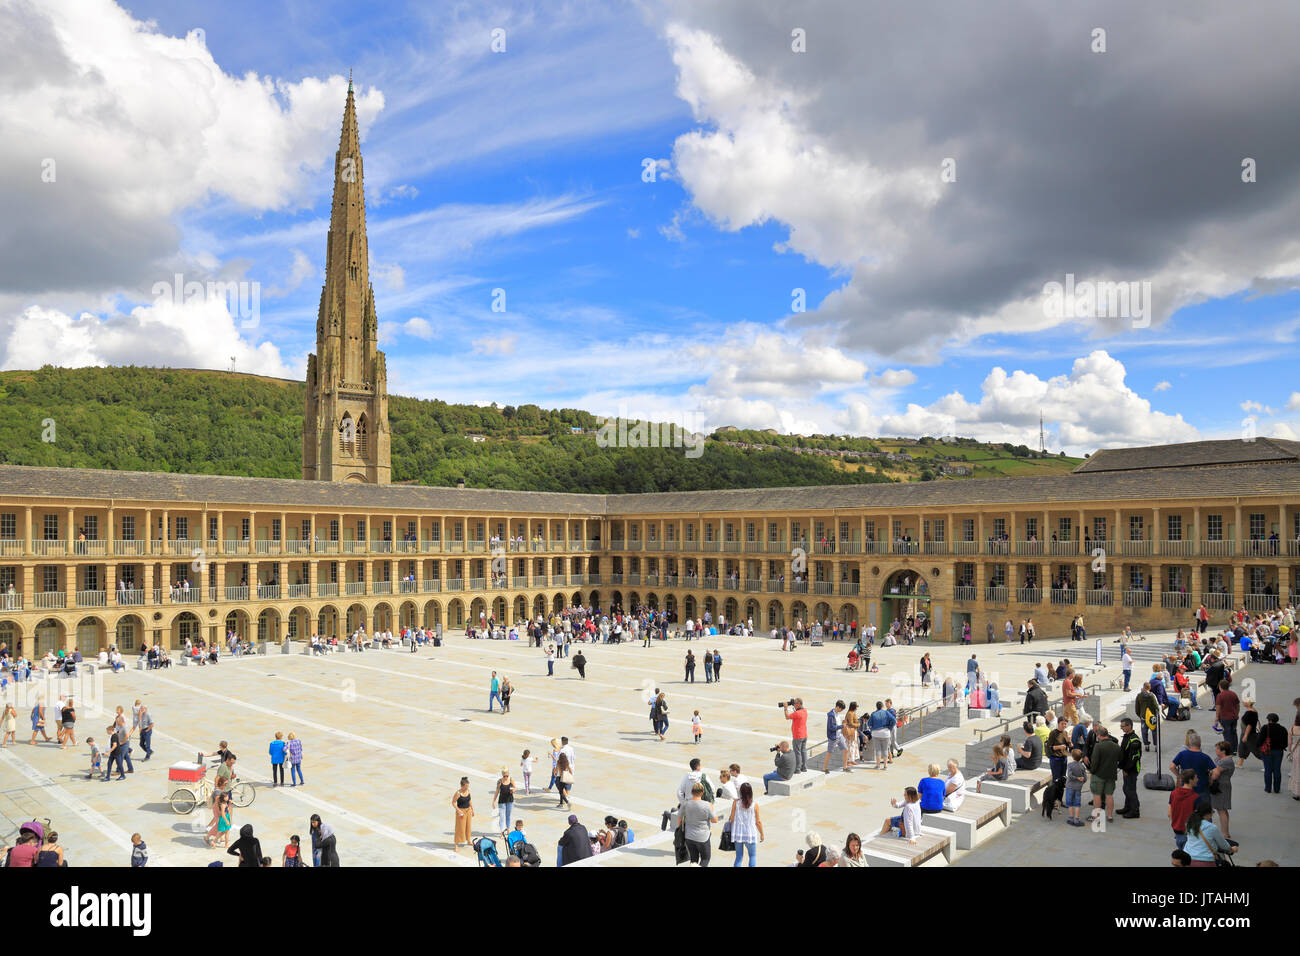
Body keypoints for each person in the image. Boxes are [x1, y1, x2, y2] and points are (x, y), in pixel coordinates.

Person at [1089, 725, 1121, 823]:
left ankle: (1097, 817)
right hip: (1111, 775)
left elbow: (1094, 762)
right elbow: (1120, 759)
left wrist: (1092, 771)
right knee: (1109, 795)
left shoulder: (1098, 746)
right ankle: (1110, 816)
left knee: (1097, 795)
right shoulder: (1116, 746)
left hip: (1098, 775)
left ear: (1099, 735)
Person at [681, 782, 718, 866]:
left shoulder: (685, 804)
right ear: (702, 792)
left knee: (694, 860)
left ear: (692, 792)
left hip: (689, 836)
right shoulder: (707, 805)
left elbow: (679, 819)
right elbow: (714, 820)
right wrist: (712, 809)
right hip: (702, 838)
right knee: (705, 859)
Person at [728, 781, 763, 867]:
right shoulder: (755, 805)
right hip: (750, 834)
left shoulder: (736, 803)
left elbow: (731, 819)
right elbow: (758, 822)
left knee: (739, 857)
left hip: (738, 834)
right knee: (752, 856)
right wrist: (762, 834)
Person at [1208, 740, 1235, 841]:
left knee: (1221, 810)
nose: (1216, 750)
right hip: (1223, 785)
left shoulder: (1226, 761)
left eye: (1217, 749)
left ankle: (1224, 833)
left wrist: (1210, 775)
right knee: (1223, 809)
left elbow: (1215, 774)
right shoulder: (1221, 759)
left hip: (1221, 786)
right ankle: (1225, 832)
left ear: (1223, 751)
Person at [1117, 717, 1142, 818]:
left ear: (1129, 726)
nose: (1121, 728)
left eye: (1123, 726)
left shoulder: (1134, 740)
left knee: (1130, 789)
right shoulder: (1127, 736)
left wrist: (1126, 769)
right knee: (1126, 788)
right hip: (1126, 768)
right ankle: (1127, 807)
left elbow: (1133, 758)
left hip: (1131, 769)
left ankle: (1135, 811)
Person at [1167, 770, 1199, 850]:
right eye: (1196, 778)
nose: (1198, 779)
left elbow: (1169, 813)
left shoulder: (1173, 793)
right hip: (1189, 833)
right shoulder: (1195, 797)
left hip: (1177, 830)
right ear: (1191, 780)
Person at [1260, 712, 1288, 794]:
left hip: (1267, 751)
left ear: (1269, 720)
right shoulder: (1283, 729)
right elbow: (1285, 743)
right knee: (1277, 769)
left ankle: (1268, 788)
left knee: (1268, 769)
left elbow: (1259, 740)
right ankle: (1277, 789)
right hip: (1279, 751)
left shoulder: (1265, 728)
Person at [822, 700, 849, 774]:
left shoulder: (837, 714)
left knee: (846, 749)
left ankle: (845, 767)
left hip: (839, 735)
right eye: (841, 709)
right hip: (833, 737)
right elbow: (831, 727)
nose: (841, 711)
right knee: (829, 753)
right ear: (837, 707)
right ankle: (824, 768)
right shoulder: (831, 715)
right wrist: (842, 726)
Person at [1215, 679, 1240, 755]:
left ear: (1220, 687)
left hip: (1225, 718)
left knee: (1227, 735)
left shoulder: (1220, 696)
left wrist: (1216, 718)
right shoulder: (1233, 694)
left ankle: (1229, 751)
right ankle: (1235, 749)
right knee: (1234, 733)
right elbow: (1237, 705)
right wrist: (1237, 714)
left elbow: (1218, 708)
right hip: (1234, 717)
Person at [784, 699, 808, 773]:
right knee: (803, 751)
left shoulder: (797, 713)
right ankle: (804, 767)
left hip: (798, 736)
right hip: (804, 735)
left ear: (798, 704)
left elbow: (787, 717)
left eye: (794, 703)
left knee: (797, 752)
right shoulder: (805, 711)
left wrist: (785, 708)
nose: (793, 704)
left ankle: (797, 769)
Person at [1064, 748, 1088, 826]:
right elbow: (1085, 778)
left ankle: (1071, 818)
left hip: (1070, 787)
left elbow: (1070, 775)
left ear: (1072, 757)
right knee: (1077, 804)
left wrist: (1076, 778)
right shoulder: (1082, 766)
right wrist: (1081, 780)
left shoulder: (1070, 765)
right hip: (1078, 788)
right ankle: (1077, 819)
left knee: (1069, 803)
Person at [492, 768, 516, 838]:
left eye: (507, 776)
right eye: (504, 776)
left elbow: (515, 787)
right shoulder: (499, 781)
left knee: (508, 816)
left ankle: (508, 830)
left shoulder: (511, 779)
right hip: (502, 801)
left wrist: (513, 790)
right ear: (502, 775)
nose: (505, 777)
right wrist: (493, 801)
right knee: (502, 817)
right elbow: (497, 791)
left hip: (510, 800)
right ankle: (502, 832)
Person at [452, 777, 474, 851]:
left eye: (468, 786)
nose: (467, 787)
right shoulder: (458, 793)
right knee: (460, 828)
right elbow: (453, 802)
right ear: (462, 786)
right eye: (466, 786)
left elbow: (470, 800)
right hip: (461, 812)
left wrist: (472, 809)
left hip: (468, 811)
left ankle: (469, 840)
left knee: (468, 826)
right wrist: (458, 810)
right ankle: (456, 844)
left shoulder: (468, 791)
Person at [1135, 682, 1158, 750]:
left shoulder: (1139, 695)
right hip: (1152, 717)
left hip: (1143, 716)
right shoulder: (1151, 696)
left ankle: (1146, 745)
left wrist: (1140, 715)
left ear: (1143, 687)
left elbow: (1137, 708)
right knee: (1154, 731)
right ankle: (1156, 745)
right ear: (1149, 688)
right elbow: (1156, 706)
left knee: (1144, 731)